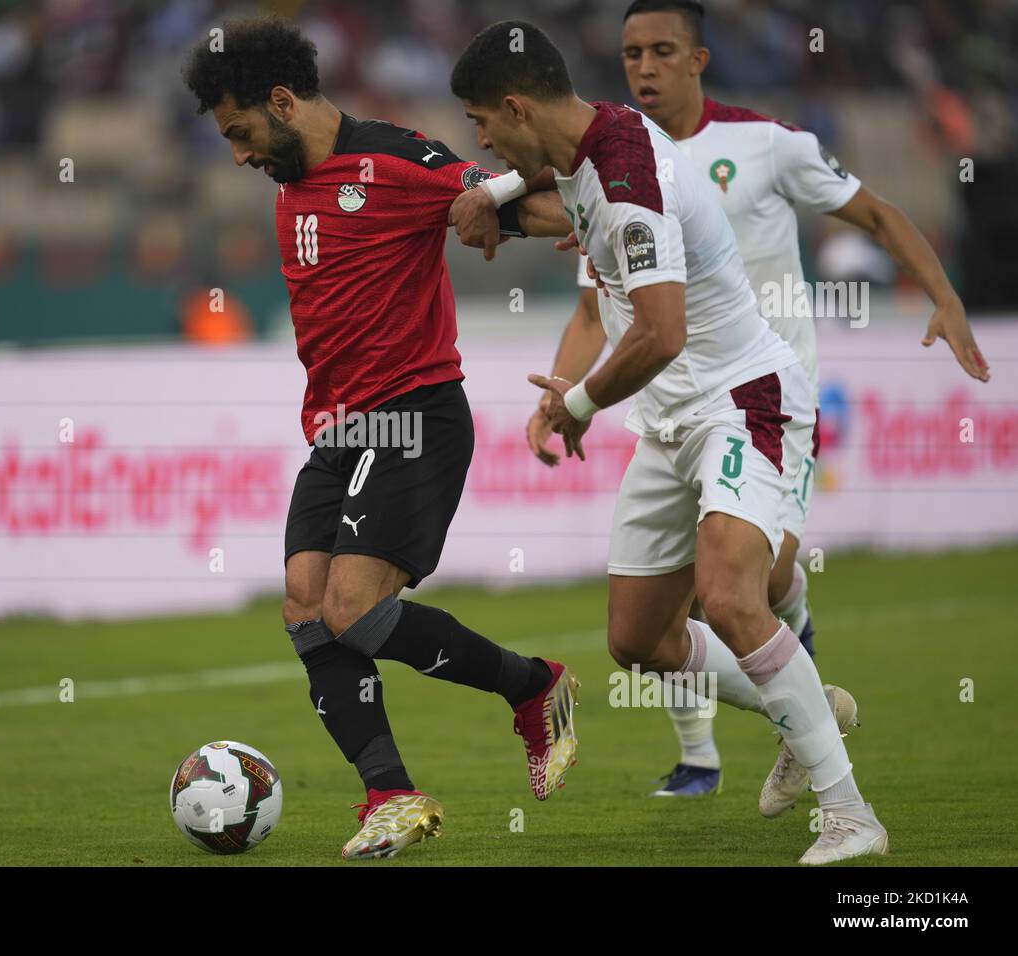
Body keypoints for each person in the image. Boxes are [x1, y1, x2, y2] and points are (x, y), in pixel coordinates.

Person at [448, 18, 887, 863]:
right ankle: (805, 710)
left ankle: (849, 814)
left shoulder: (628, 175)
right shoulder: (592, 139)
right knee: (637, 638)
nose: (481, 139)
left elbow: (660, 334)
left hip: (741, 397)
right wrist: (496, 200)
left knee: (729, 596)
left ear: (513, 107)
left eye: (481, 123)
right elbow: (553, 189)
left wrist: (574, 402)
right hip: (671, 419)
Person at [182, 16, 579, 861]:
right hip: (337, 432)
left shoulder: (396, 159)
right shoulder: (292, 183)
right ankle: (393, 793)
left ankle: (534, 687)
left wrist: (518, 205)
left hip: (415, 416)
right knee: (306, 608)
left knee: (353, 610)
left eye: (243, 132)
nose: (240, 155)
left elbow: (534, 199)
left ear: (284, 102)